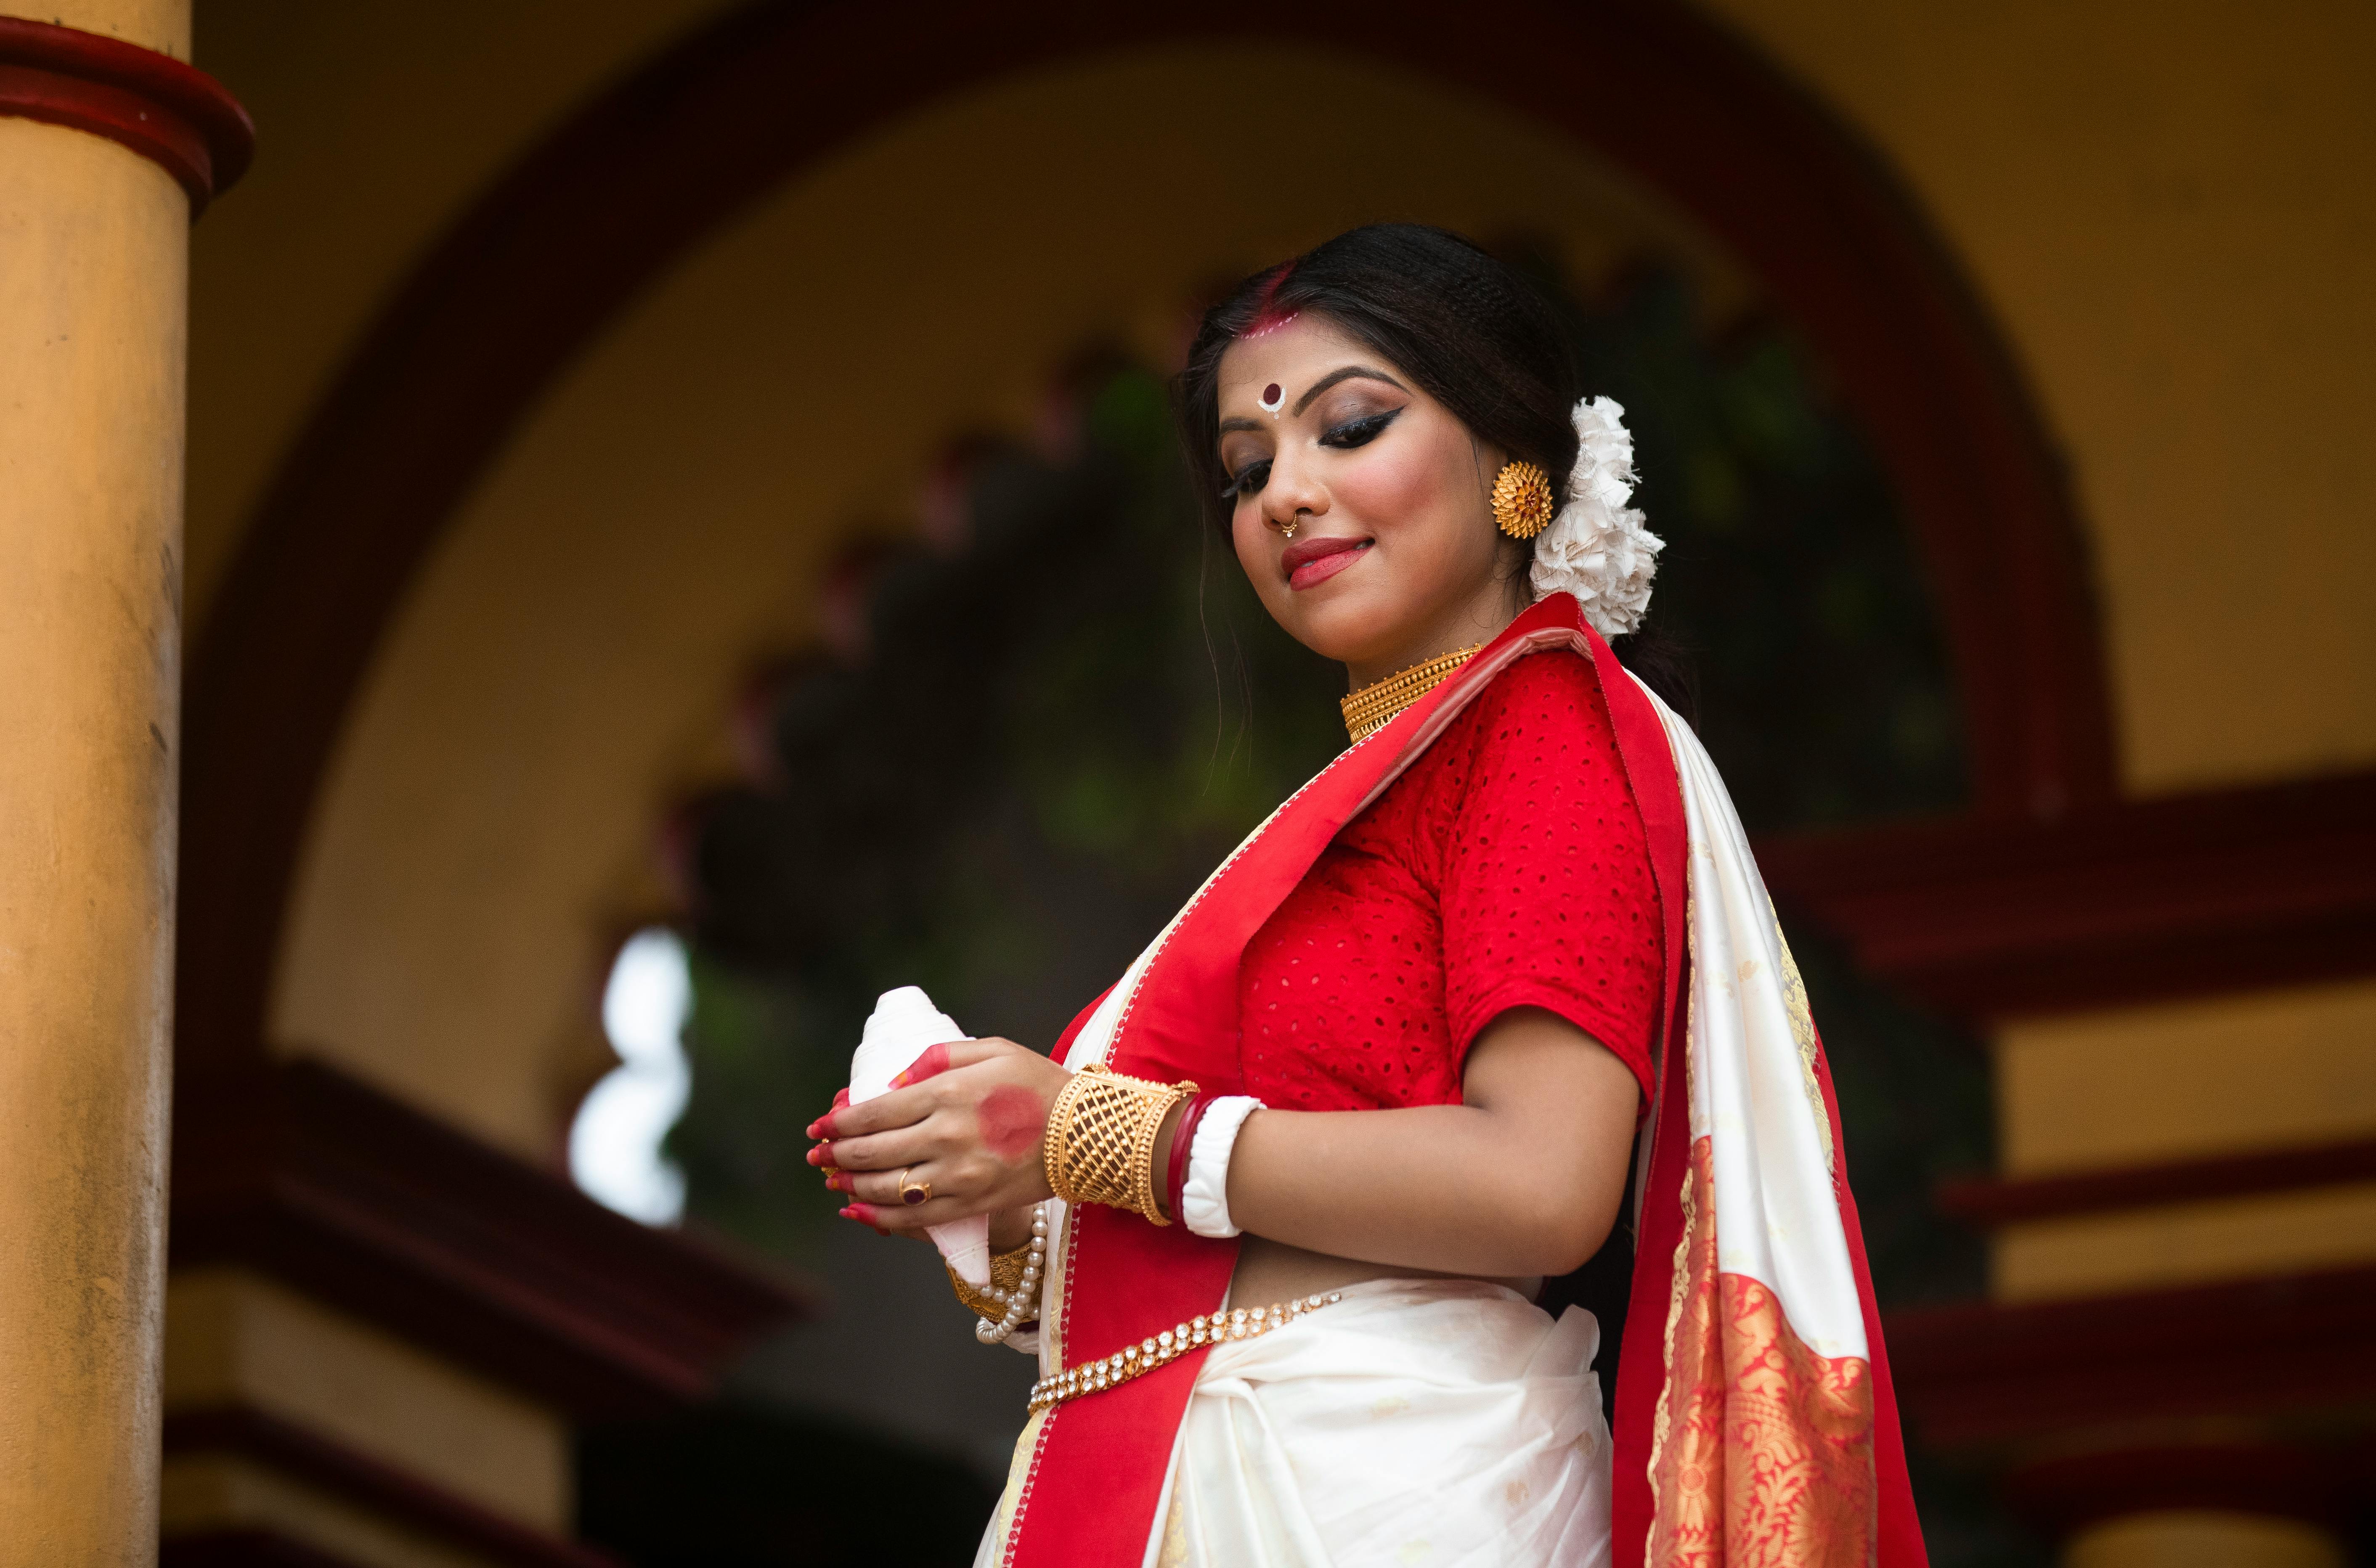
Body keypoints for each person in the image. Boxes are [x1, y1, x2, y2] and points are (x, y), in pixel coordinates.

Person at [805, 225, 1925, 1568]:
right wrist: (1000, 1188)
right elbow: (1222, 1201)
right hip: (1210, 1465)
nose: (1285, 492)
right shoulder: (1352, 808)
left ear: (1514, 463)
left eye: (1349, 427)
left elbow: (1541, 1182)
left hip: (1382, 1483)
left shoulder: (1546, 726)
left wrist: (1098, 1137)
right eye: (1246, 466)